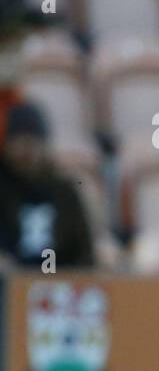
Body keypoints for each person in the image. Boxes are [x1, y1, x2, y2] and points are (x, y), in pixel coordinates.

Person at [0, 104, 95, 272]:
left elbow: (84, 254)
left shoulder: (65, 192)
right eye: (19, 140)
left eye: (33, 141)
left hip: (59, 286)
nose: (27, 149)